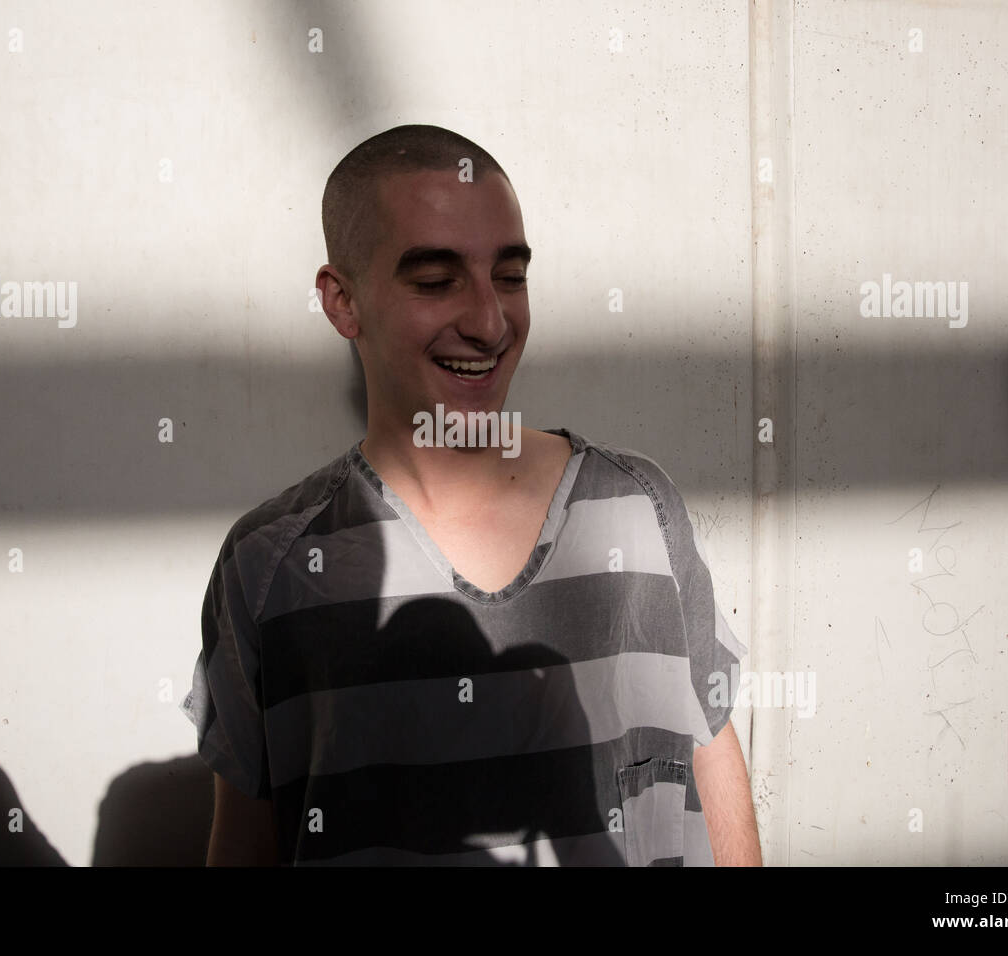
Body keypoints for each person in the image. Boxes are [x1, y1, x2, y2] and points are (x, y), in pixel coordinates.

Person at [182, 124, 761, 866]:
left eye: (511, 277)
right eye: (435, 281)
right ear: (342, 302)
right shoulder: (270, 564)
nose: (490, 323)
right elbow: (248, 844)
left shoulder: (640, 509)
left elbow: (710, 759)